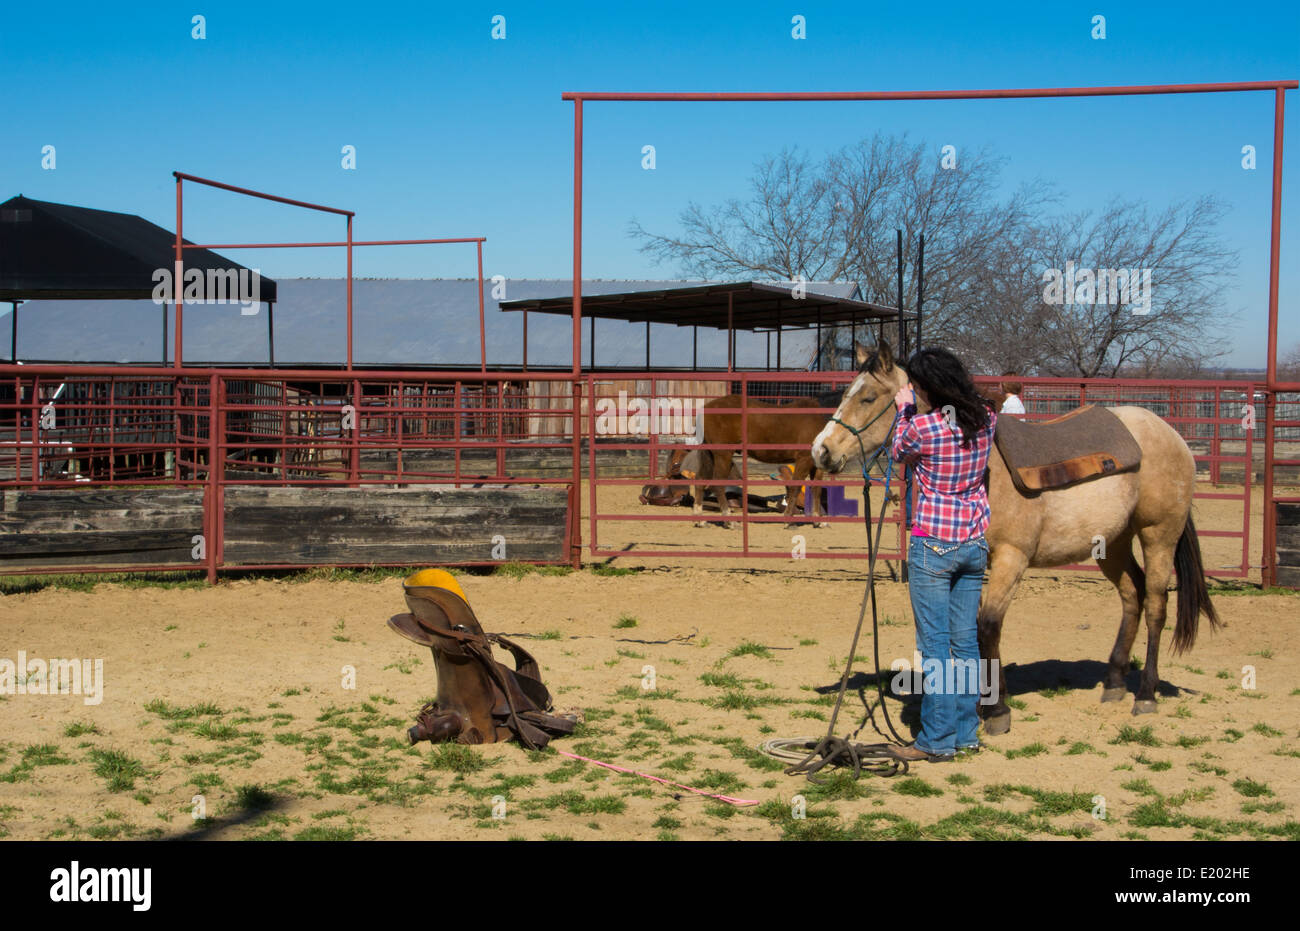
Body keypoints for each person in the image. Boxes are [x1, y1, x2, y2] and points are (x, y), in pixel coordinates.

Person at [889, 348, 997, 763]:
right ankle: (966, 731)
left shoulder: (923, 427)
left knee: (934, 646)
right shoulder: (986, 419)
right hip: (973, 541)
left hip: (933, 541)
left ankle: (936, 739)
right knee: (964, 641)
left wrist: (905, 409)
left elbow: (899, 450)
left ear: (928, 387)